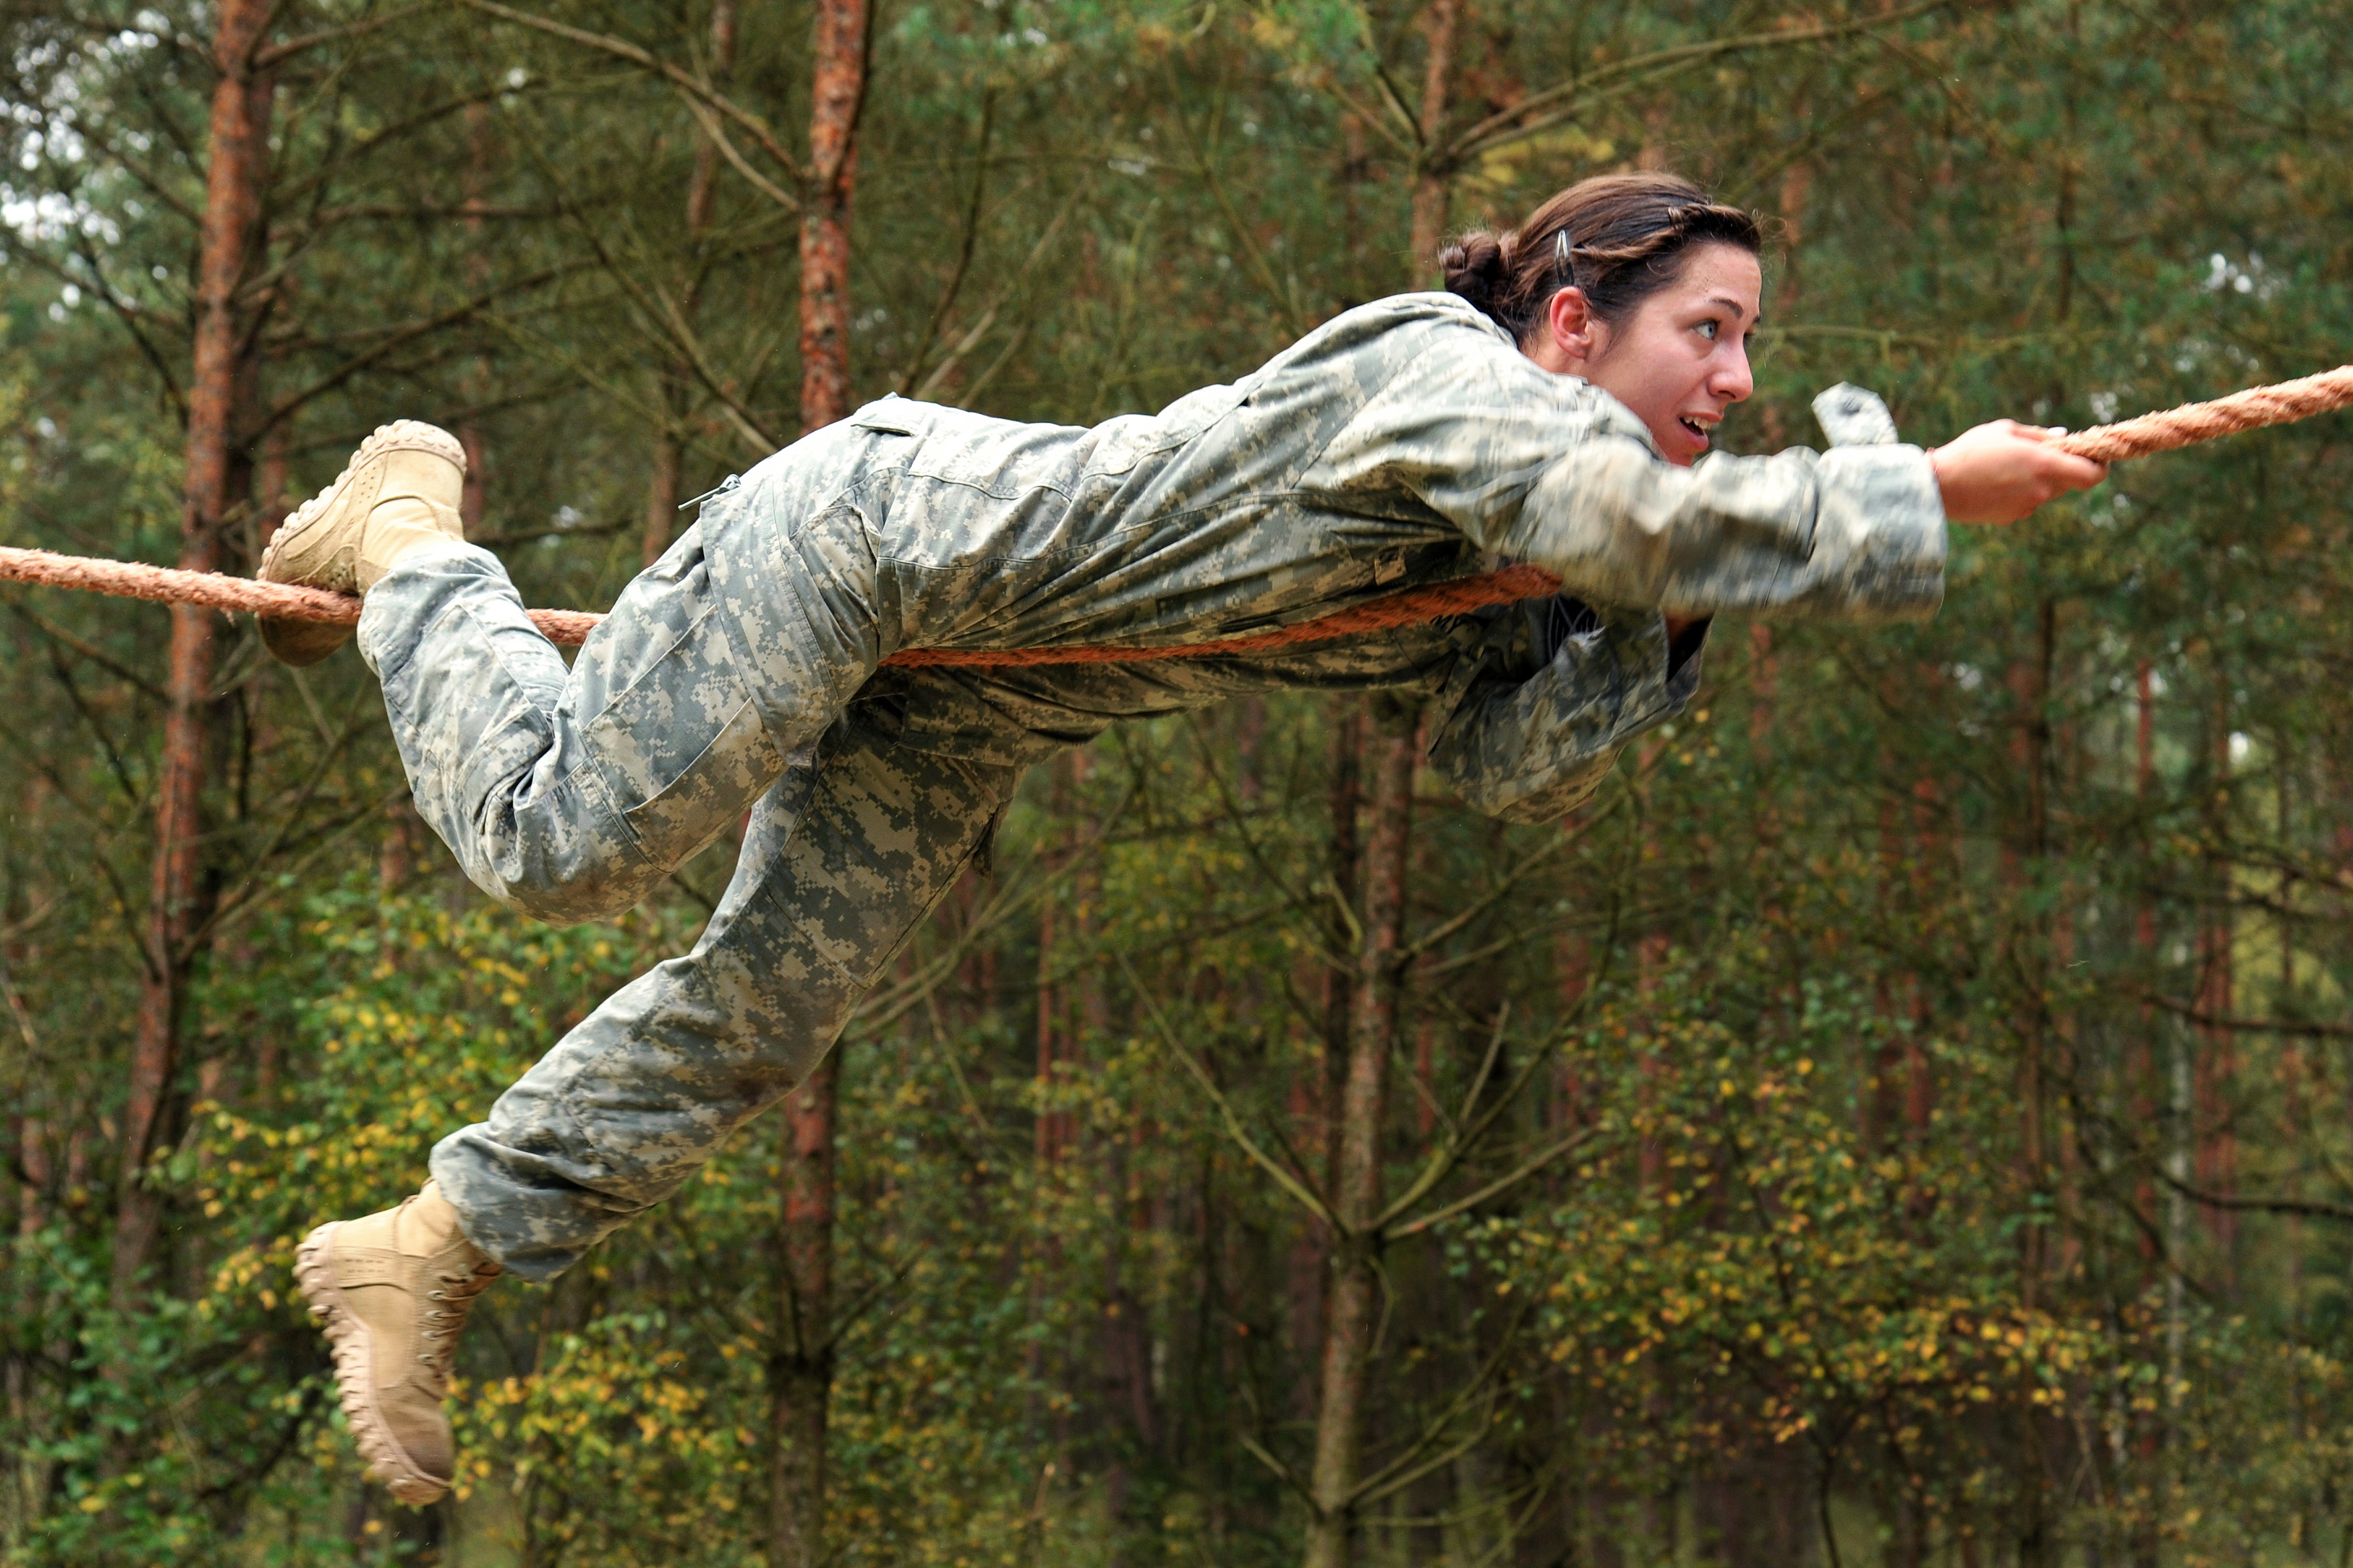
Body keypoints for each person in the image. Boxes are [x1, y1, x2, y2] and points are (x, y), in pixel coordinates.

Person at [272, 172, 2103, 1503]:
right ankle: (416, 527)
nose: (1736, 377)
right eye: (1707, 329)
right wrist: (1912, 491)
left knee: (768, 1003)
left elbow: (1503, 757)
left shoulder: (1509, 557)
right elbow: (1626, 523)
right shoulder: (1436, 377)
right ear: (1569, 323)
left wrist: (1683, 620)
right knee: (554, 842)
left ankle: (429, 1242)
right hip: (882, 546)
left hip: (984, 691)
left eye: (1748, 347)